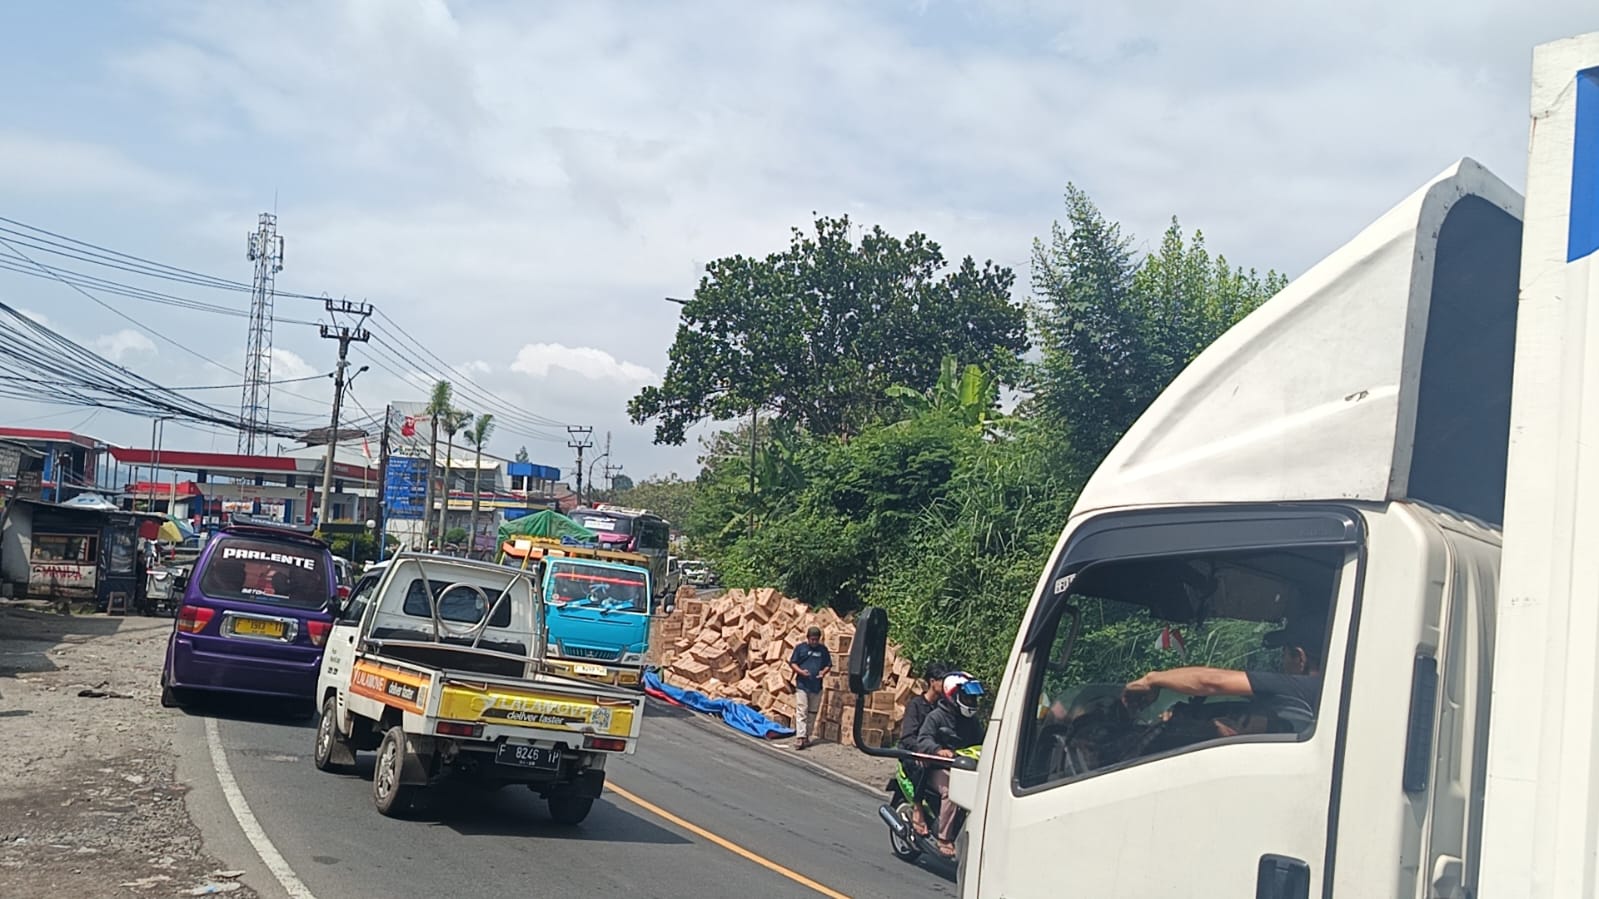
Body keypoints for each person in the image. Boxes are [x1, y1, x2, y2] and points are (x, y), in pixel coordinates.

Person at [1122, 616, 1324, 736]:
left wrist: (1152, 679)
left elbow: (1212, 681)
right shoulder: (1320, 698)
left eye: (1284, 654)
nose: (1282, 663)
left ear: (1300, 658)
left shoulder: (1305, 688)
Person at [915, 672, 987, 858]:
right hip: (937, 769)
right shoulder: (936, 717)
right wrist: (939, 750)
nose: (971, 702)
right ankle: (944, 838)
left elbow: (983, 742)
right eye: (966, 698)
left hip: (965, 768)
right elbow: (923, 740)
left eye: (973, 699)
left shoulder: (972, 722)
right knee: (952, 791)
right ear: (953, 696)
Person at [899, 662, 950, 836]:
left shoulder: (944, 708)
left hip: (937, 754)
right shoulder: (916, 705)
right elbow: (907, 737)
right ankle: (918, 807)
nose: (945, 685)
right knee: (923, 766)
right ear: (932, 681)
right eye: (942, 681)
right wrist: (924, 750)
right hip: (913, 753)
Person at [789, 626, 832, 750]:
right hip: (803, 685)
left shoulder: (823, 650)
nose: (814, 642)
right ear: (807, 638)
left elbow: (828, 665)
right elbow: (793, 663)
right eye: (812, 640)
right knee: (802, 710)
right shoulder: (800, 648)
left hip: (816, 686)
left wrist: (823, 673)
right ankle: (800, 737)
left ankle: (807, 736)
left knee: (812, 712)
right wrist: (801, 672)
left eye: (816, 640)